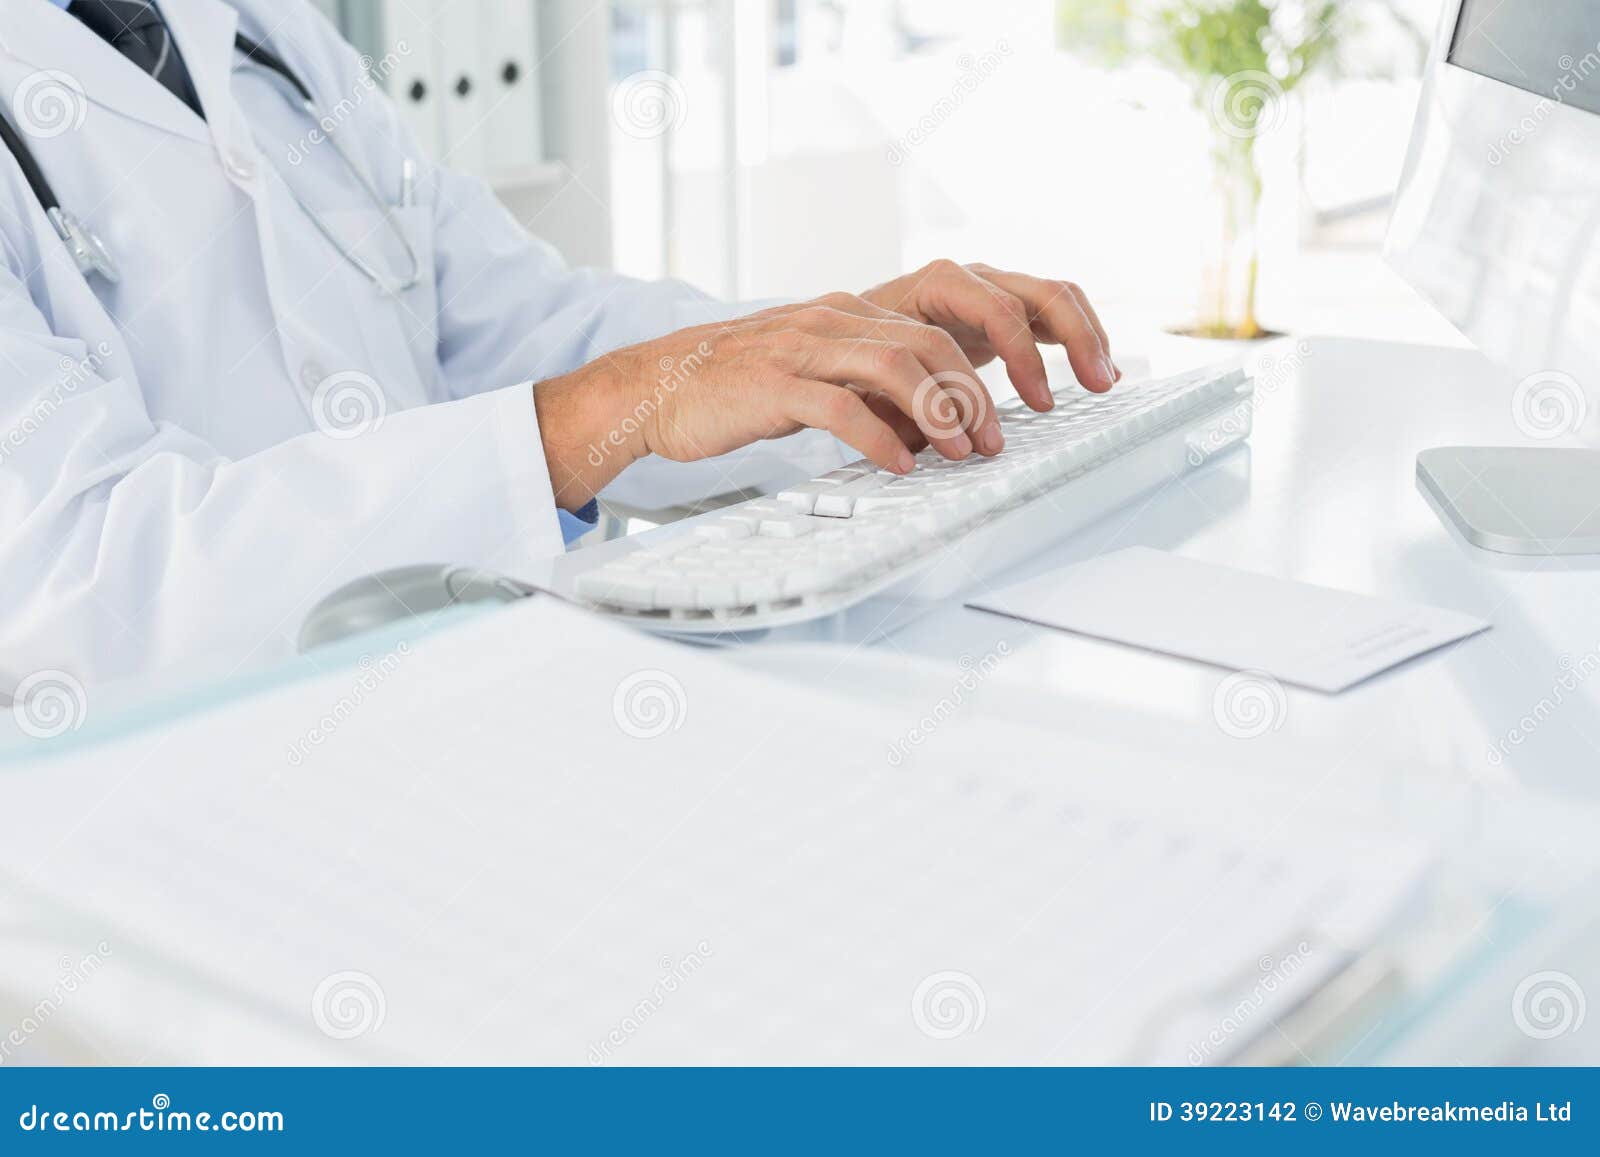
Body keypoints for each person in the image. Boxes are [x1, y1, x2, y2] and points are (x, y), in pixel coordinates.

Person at [0, 0, 1118, 687]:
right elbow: (89, 583)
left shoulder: (262, 33)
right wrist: (600, 409)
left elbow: (527, 324)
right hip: (177, 815)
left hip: (466, 698)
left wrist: (830, 355)